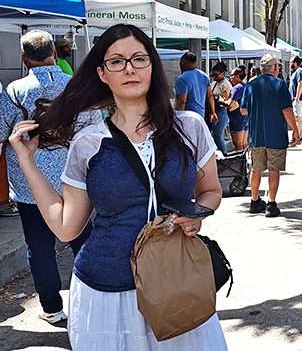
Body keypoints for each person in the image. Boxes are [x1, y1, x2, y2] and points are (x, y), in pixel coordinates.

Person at [8, 24, 226, 349]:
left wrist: (198, 214)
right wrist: (27, 161)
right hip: (105, 292)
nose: (129, 68)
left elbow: (211, 190)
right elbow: (67, 227)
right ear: (102, 73)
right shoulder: (88, 142)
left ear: (152, 65)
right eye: (116, 61)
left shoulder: (188, 127)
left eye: (139, 59)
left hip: (177, 284)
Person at [0, 30, 94, 324]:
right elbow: (92, 130)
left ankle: (52, 307)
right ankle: (93, 299)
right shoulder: (75, 87)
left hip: (31, 184)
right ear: (54, 53)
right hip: (73, 179)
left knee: (39, 247)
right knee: (83, 241)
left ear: (25, 58)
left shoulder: (15, 91)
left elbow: (2, 133)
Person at [241, 54, 300, 218]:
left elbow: (243, 109)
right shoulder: (280, 84)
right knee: (274, 169)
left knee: (256, 168)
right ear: (275, 68)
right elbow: (287, 110)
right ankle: (271, 204)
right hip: (276, 134)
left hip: (256, 134)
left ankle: (254, 201)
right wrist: (295, 130)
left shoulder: (251, 84)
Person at [175, 52, 217, 125]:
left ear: (183, 61)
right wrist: (213, 112)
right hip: (200, 117)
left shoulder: (182, 79)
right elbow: (210, 95)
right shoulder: (204, 76)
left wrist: (178, 118)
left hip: (187, 117)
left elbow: (182, 101)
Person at [209, 62, 232, 156]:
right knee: (212, 134)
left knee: (218, 135)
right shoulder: (214, 83)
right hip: (212, 109)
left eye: (216, 75)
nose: (214, 77)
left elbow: (228, 100)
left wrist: (218, 99)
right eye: (212, 75)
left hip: (222, 110)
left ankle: (224, 154)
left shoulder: (226, 84)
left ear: (222, 73)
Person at [226, 68, 248, 151]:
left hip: (236, 116)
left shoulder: (237, 88)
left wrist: (219, 100)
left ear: (237, 76)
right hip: (245, 116)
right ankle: (245, 162)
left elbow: (229, 104)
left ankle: (240, 162)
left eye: (232, 75)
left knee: (238, 144)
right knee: (244, 144)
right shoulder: (245, 86)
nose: (230, 78)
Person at [289, 56, 302, 145]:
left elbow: (300, 83)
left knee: (297, 117)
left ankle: (299, 136)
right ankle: (298, 135)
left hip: (298, 98)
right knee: (297, 117)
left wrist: (297, 97)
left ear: (295, 63)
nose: (290, 64)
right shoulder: (297, 71)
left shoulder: (299, 71)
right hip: (296, 98)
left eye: (291, 62)